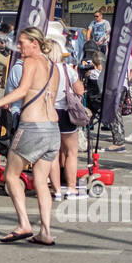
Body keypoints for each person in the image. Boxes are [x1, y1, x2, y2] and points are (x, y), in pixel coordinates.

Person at [0, 28, 61, 245]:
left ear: (34, 43)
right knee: (41, 180)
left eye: (22, 42)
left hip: (32, 127)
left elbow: (23, 90)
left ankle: (24, 224)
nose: (18, 46)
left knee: (11, 175)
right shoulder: (54, 67)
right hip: (52, 129)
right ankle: (45, 232)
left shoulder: (31, 62)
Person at [47, 27, 86, 196]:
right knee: (71, 152)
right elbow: (80, 90)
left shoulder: (42, 69)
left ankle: (56, 189)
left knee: (53, 153)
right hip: (65, 112)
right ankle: (71, 188)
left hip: (48, 113)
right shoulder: (66, 69)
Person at [84, 51, 126, 151]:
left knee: (89, 108)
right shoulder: (111, 71)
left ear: (94, 64)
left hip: (98, 102)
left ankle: (84, 137)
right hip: (107, 100)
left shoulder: (93, 74)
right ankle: (119, 140)